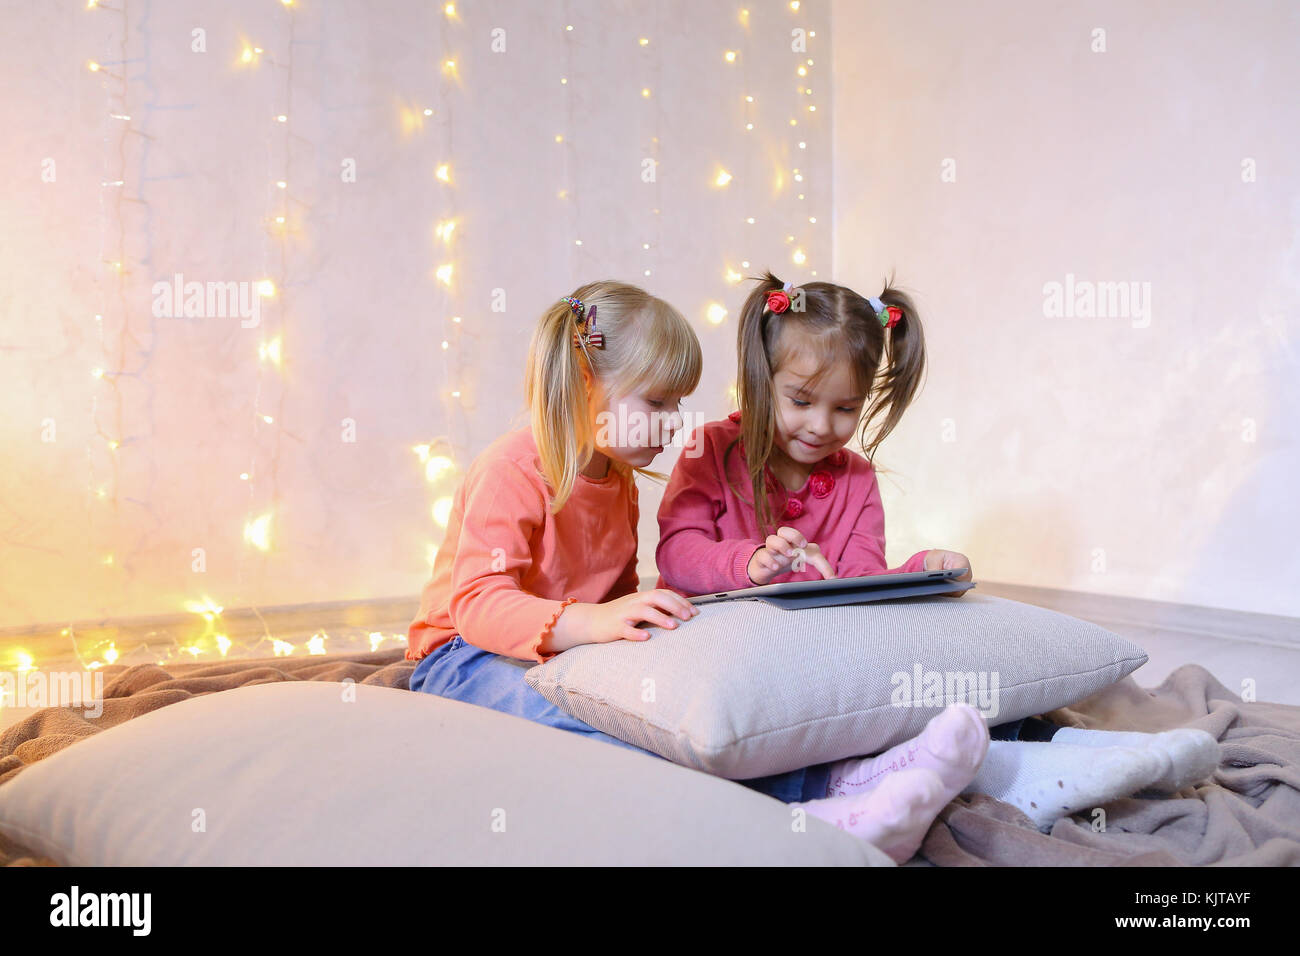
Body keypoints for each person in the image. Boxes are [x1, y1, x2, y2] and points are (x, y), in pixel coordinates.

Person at [407, 280, 979, 861]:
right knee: (606, 728)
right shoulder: (512, 469)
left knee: (670, 710)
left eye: (678, 404)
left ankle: (846, 782)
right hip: (466, 657)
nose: (674, 422)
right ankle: (804, 806)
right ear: (585, 385)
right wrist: (592, 623)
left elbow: (618, 596)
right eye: (657, 403)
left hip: (566, 650)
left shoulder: (617, 480)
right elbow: (476, 604)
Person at [655, 271, 1219, 834]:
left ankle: (1048, 760)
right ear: (760, 379)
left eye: (846, 409)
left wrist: (921, 571)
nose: (822, 426)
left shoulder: (855, 477)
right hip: (732, 642)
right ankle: (865, 796)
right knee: (782, 721)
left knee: (908, 678)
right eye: (801, 400)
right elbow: (677, 553)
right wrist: (747, 563)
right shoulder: (711, 450)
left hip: (823, 649)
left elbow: (860, 579)